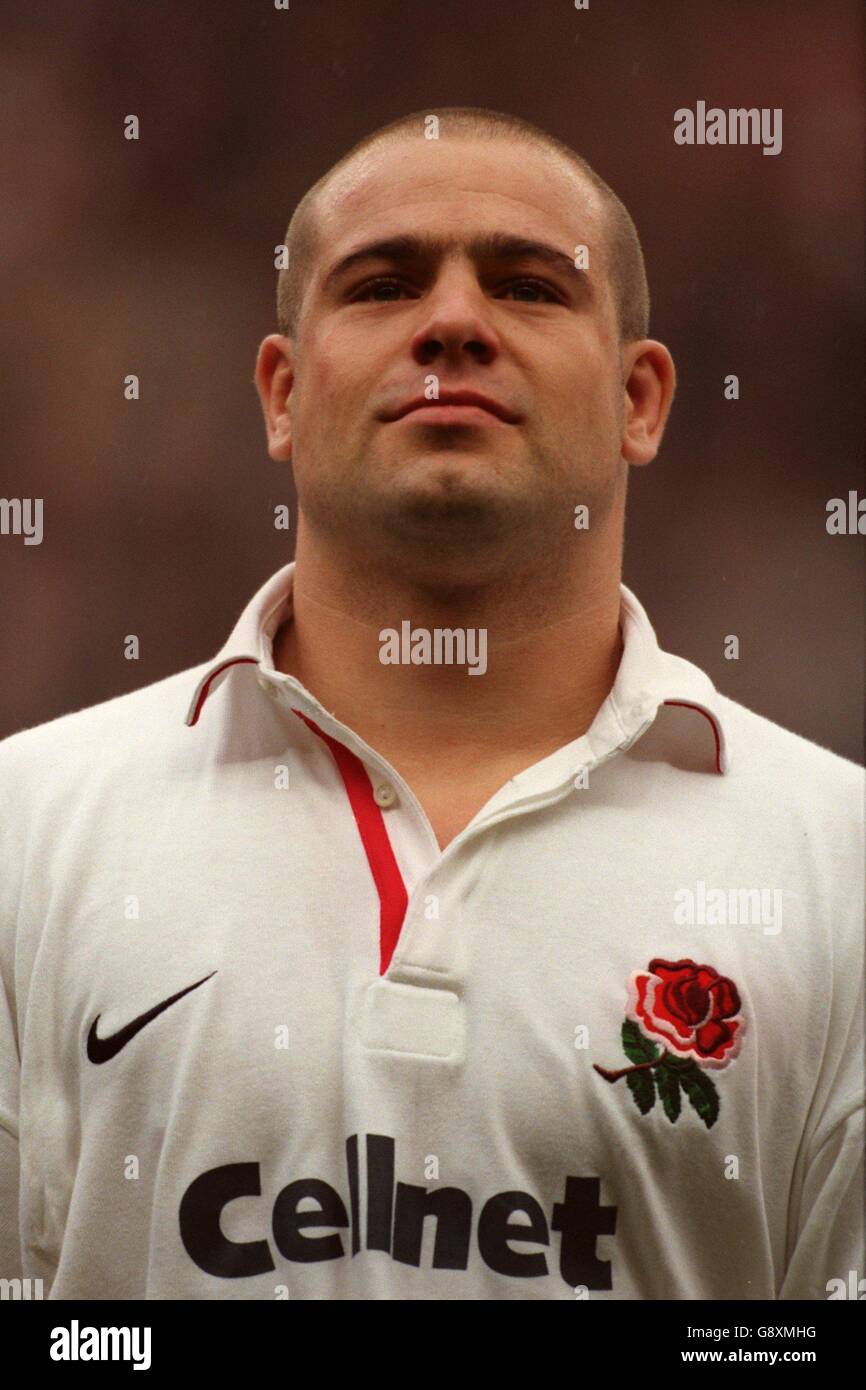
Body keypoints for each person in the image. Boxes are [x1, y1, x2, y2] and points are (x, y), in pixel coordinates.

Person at [0, 107, 862, 1301]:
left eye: (526, 286)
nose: (452, 323)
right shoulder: (27, 828)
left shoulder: (840, 860)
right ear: (283, 394)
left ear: (641, 399)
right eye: (382, 283)